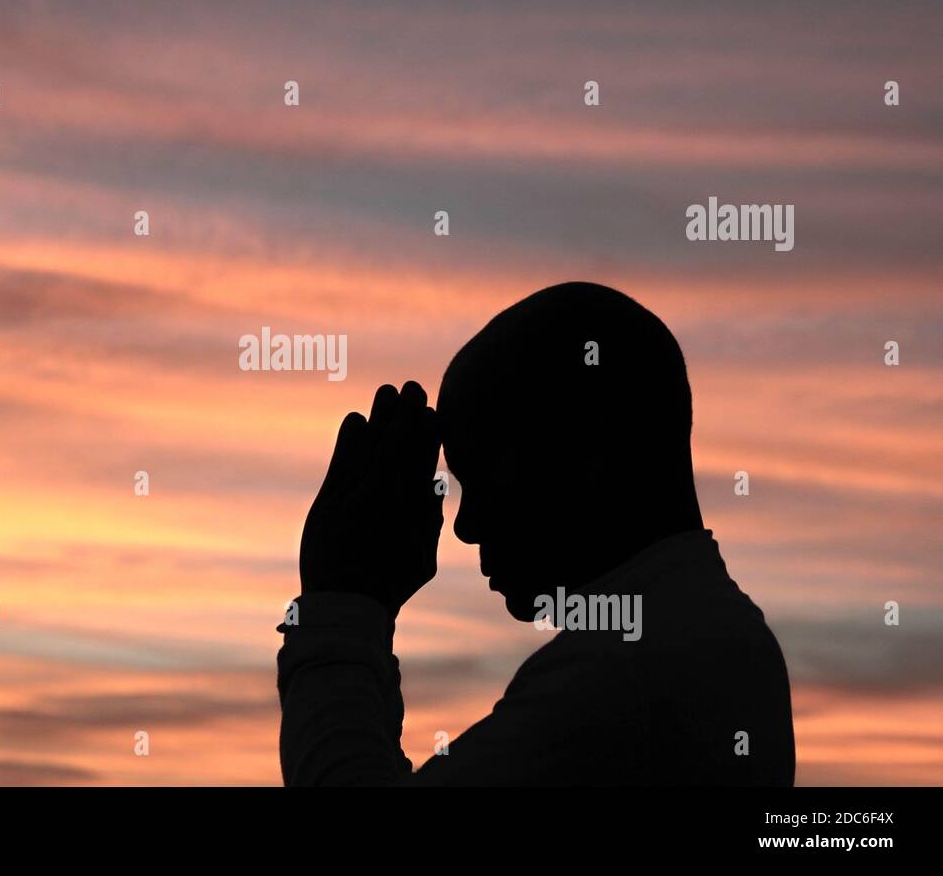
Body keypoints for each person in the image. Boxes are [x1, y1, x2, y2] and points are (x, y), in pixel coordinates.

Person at [277, 281, 795, 785]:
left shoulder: (621, 677)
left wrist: (342, 605)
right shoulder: (711, 641)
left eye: (483, 477)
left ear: (590, 447)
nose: (465, 527)